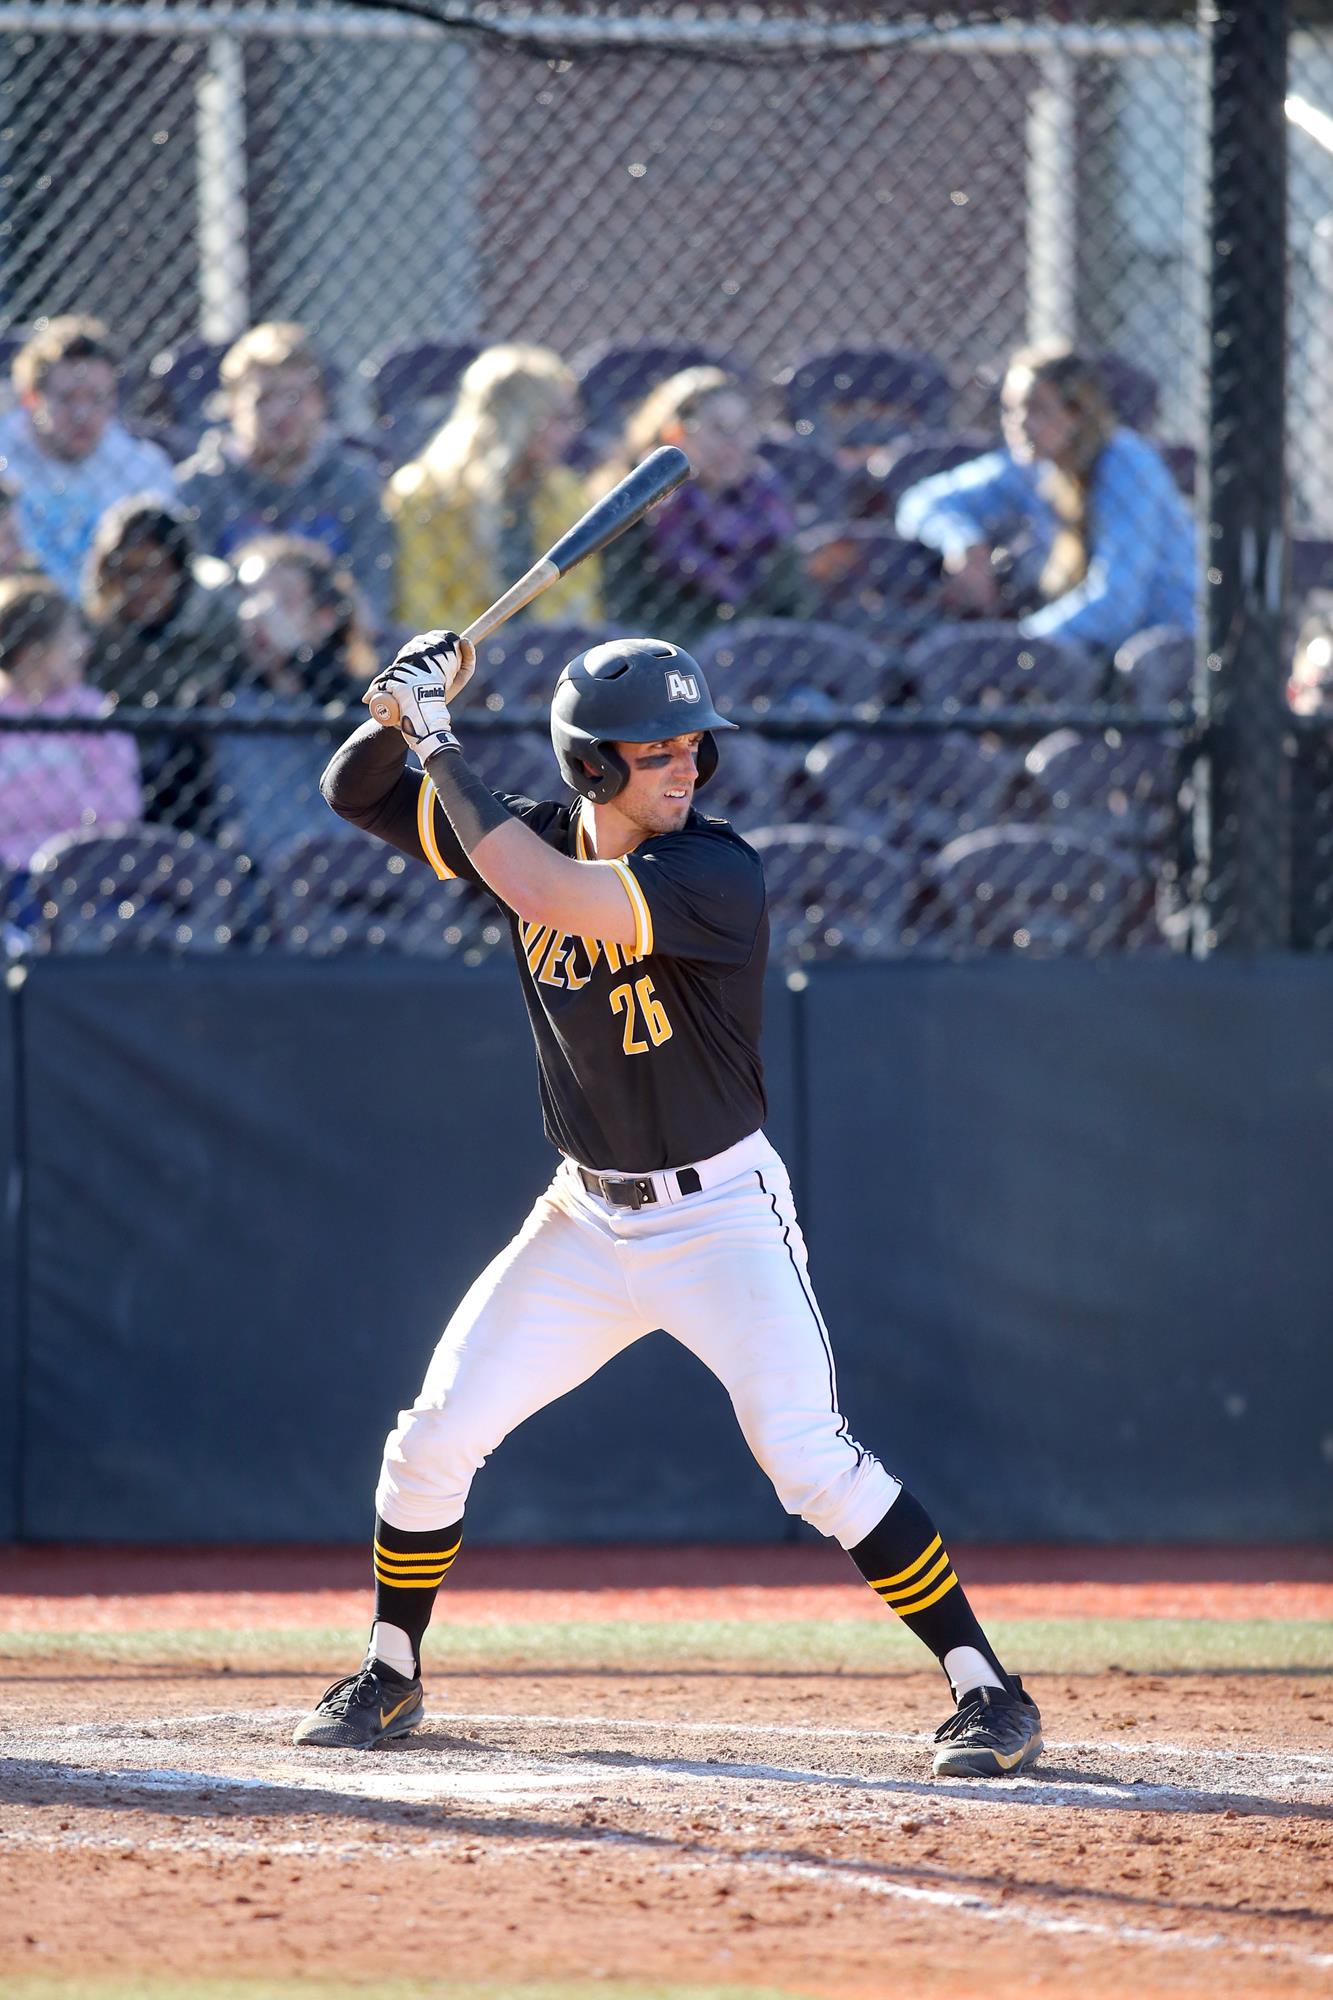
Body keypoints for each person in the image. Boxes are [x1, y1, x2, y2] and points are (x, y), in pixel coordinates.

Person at [293, 626, 1044, 1781]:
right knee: (432, 1436)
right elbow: (355, 791)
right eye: (656, 750)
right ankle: (391, 1669)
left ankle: (986, 1688)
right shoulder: (524, 830)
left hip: (720, 1218)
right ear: (591, 766)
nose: (687, 767)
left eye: (693, 744)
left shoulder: (713, 870)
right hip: (585, 1218)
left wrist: (438, 730)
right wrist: (402, 706)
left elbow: (541, 888)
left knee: (810, 1462)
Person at [895, 344, 1196, 656]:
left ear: (1076, 414)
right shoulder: (1029, 467)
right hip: (1083, 652)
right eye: (1010, 409)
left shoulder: (1127, 463)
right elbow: (920, 501)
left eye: (1036, 409)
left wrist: (1016, 646)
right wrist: (964, 543)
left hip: (1169, 647)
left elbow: (1117, 604)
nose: (1019, 423)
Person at [176, 322, 393, 637]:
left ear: (320, 403)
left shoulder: (354, 481)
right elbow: (196, 598)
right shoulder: (200, 486)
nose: (280, 413)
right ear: (233, 407)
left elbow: (373, 591)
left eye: (295, 397)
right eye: (263, 399)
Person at [386, 343, 598, 634]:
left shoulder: (564, 491)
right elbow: (420, 612)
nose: (571, 431)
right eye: (560, 418)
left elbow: (580, 604)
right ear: (521, 418)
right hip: (461, 664)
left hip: (549, 661)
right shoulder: (425, 492)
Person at [596, 366, 810, 646]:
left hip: (757, 662)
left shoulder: (768, 507)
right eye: (718, 429)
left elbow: (795, 607)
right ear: (675, 433)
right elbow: (623, 614)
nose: (734, 443)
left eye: (743, 428)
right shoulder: (634, 508)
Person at [209, 533, 376, 864]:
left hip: (356, 871)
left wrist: (297, 655)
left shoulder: (365, 697)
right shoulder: (225, 699)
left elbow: (343, 703)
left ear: (325, 616)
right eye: (249, 599)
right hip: (257, 879)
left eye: (283, 601)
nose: (258, 615)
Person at [0, 317, 176, 597]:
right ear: (31, 399)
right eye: (67, 398)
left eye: (96, 398)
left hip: (113, 614)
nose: (82, 415)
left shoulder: (142, 468)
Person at [0, 573, 141, 872]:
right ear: (34, 652)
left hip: (86, 867)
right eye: (71, 637)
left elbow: (123, 807)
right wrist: (69, 799)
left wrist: (28, 804)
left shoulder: (92, 709)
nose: (85, 646)